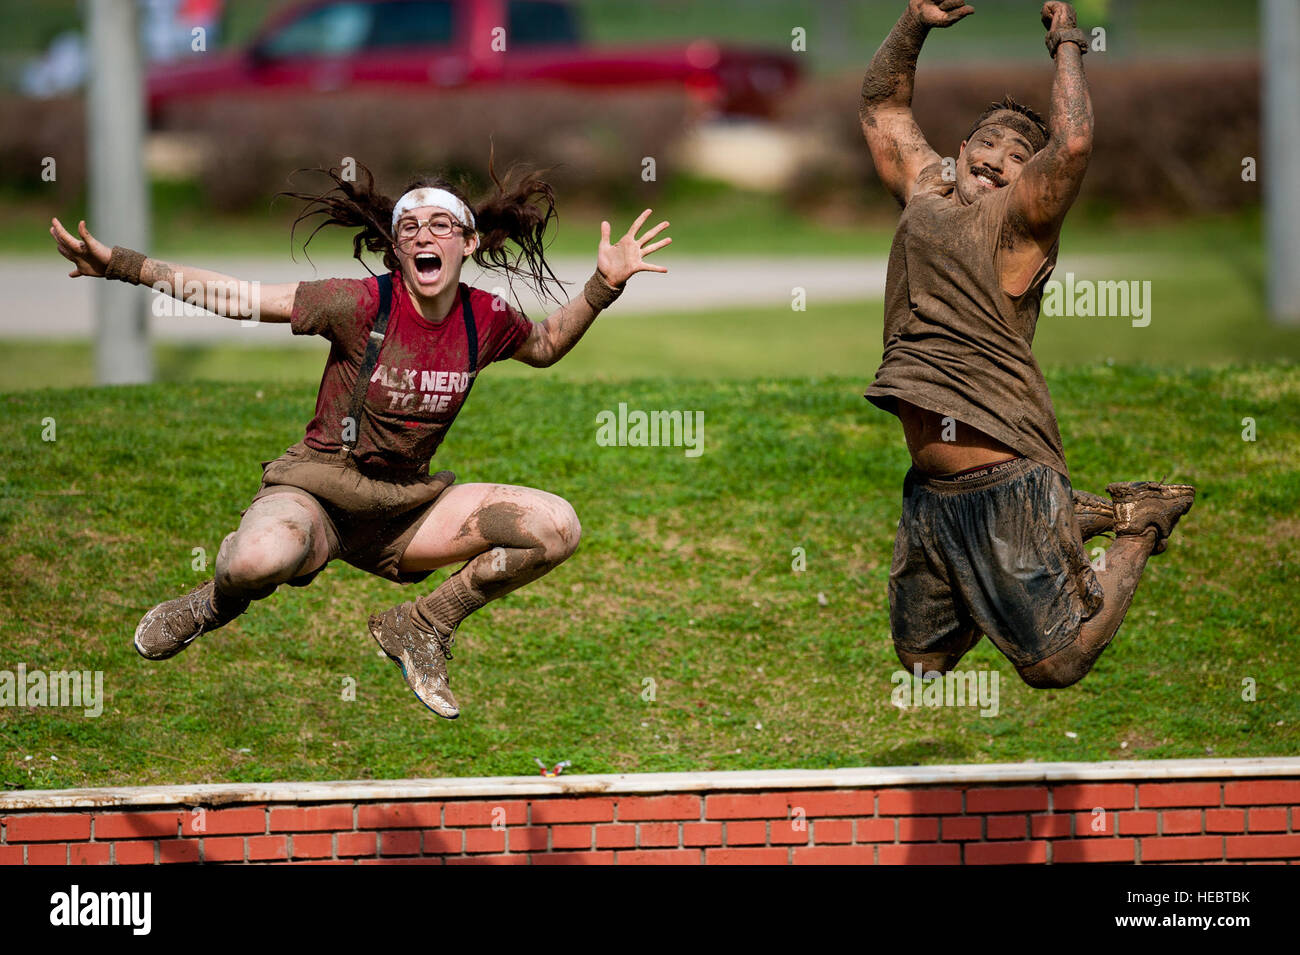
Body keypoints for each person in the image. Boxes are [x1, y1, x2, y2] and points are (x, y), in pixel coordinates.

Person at [50, 160, 670, 719]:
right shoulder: (357, 303)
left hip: (405, 512)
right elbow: (240, 299)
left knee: (556, 526)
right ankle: (213, 604)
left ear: (469, 243)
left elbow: (546, 344)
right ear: (396, 249)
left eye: (441, 226)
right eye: (410, 228)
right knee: (254, 562)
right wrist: (126, 268)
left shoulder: (488, 317)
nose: (424, 236)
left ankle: (422, 625)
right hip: (315, 494)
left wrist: (603, 285)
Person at [859, 0, 1193, 689]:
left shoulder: (1019, 227)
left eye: (1019, 156)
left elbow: (1070, 145)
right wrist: (913, 22)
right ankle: (1070, 521)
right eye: (988, 144)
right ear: (959, 153)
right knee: (923, 663)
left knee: (1057, 663)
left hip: (1006, 480)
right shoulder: (927, 190)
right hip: (931, 491)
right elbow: (881, 107)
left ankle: (1140, 524)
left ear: (1029, 180)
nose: (999, 159)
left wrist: (1067, 41)